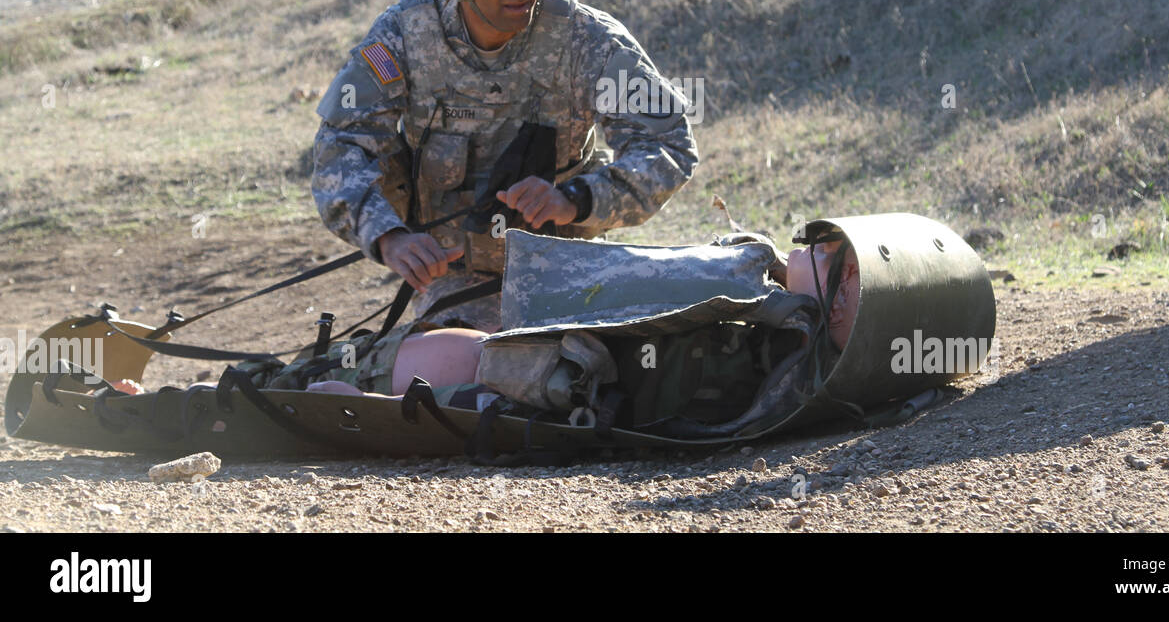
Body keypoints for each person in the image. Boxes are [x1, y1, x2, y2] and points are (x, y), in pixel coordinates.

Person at [311, 0, 699, 332]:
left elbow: (668, 144)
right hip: (457, 280)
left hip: (567, 268)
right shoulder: (406, 37)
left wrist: (574, 199)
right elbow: (341, 145)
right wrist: (388, 235)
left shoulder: (585, 41)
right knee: (461, 374)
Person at [301, 236, 861, 400]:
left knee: (493, 360)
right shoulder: (770, 292)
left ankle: (337, 389)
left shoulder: (786, 335)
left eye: (839, 261)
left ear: (836, 308)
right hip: (554, 338)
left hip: (560, 367)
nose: (822, 248)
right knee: (493, 355)